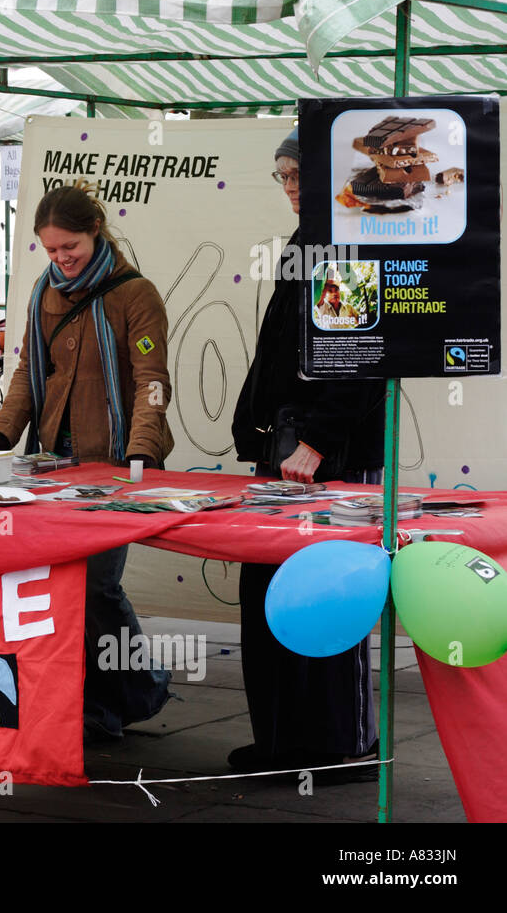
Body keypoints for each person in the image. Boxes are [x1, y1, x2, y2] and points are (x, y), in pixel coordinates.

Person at [0, 184, 174, 739]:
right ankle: (103, 697)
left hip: (111, 463)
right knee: (59, 589)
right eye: (52, 250)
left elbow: (150, 381)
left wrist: (140, 448)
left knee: (96, 589)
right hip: (49, 463)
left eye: (72, 247)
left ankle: (121, 697)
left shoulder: (136, 295)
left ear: (96, 232)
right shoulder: (45, 293)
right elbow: (27, 375)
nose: (62, 259)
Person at [229, 126, 385, 777]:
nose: (291, 189)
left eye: (299, 176)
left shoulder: (347, 242)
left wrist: (317, 439)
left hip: (324, 457)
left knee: (324, 599)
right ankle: (287, 742)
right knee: (273, 597)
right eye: (283, 178)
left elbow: (356, 358)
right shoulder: (314, 240)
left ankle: (340, 745)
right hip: (292, 450)